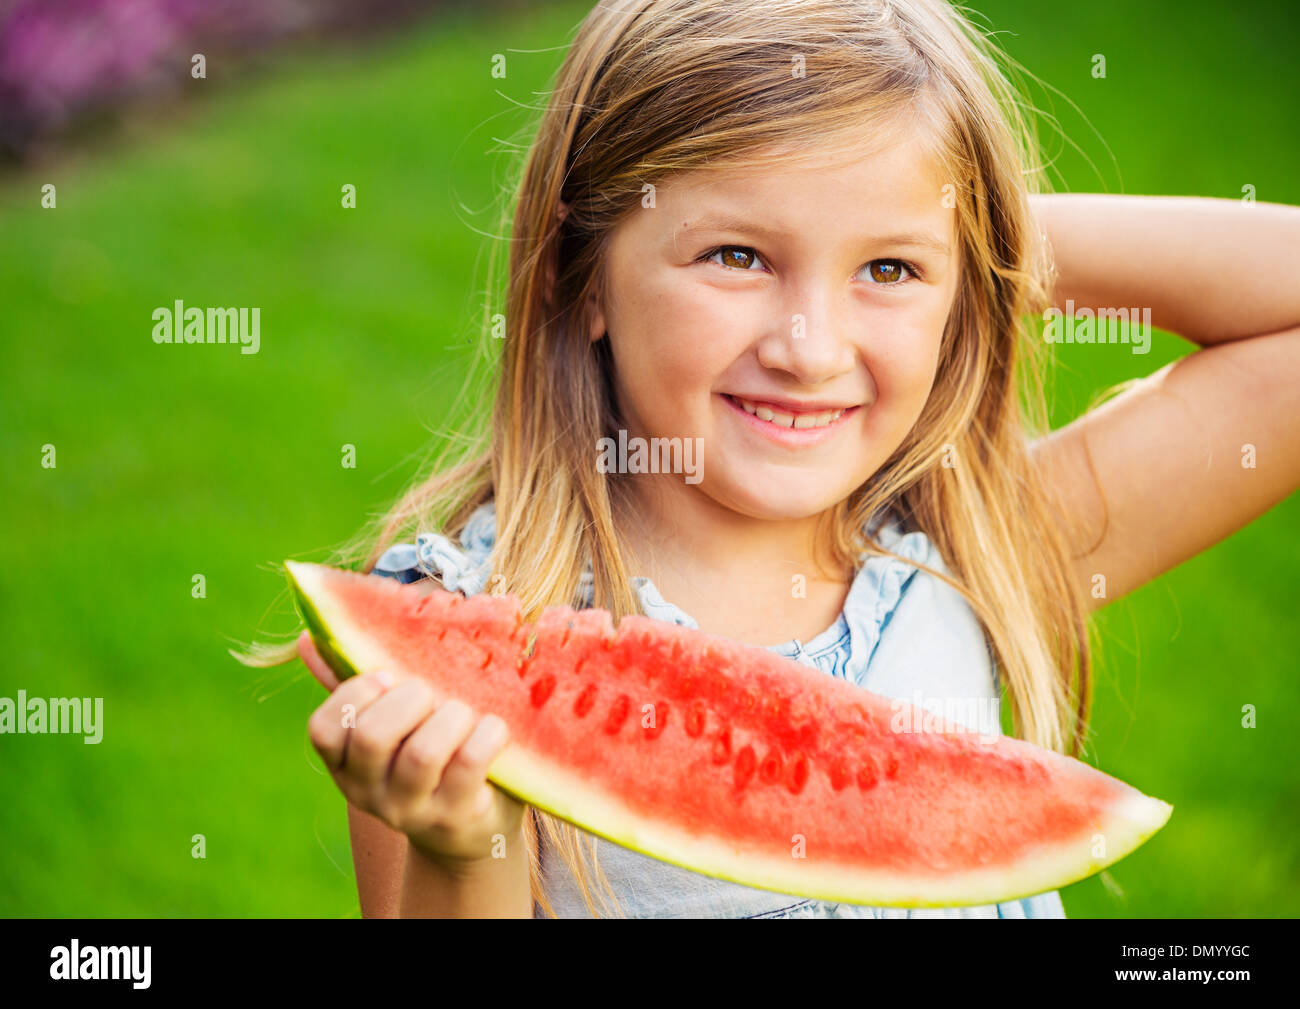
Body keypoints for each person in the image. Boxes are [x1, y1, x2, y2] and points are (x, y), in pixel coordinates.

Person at [250, 0, 1300, 917]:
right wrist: (458, 834)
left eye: (885, 271)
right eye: (738, 256)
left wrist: (980, 245)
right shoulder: (475, 620)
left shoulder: (972, 551)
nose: (808, 346)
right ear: (582, 272)